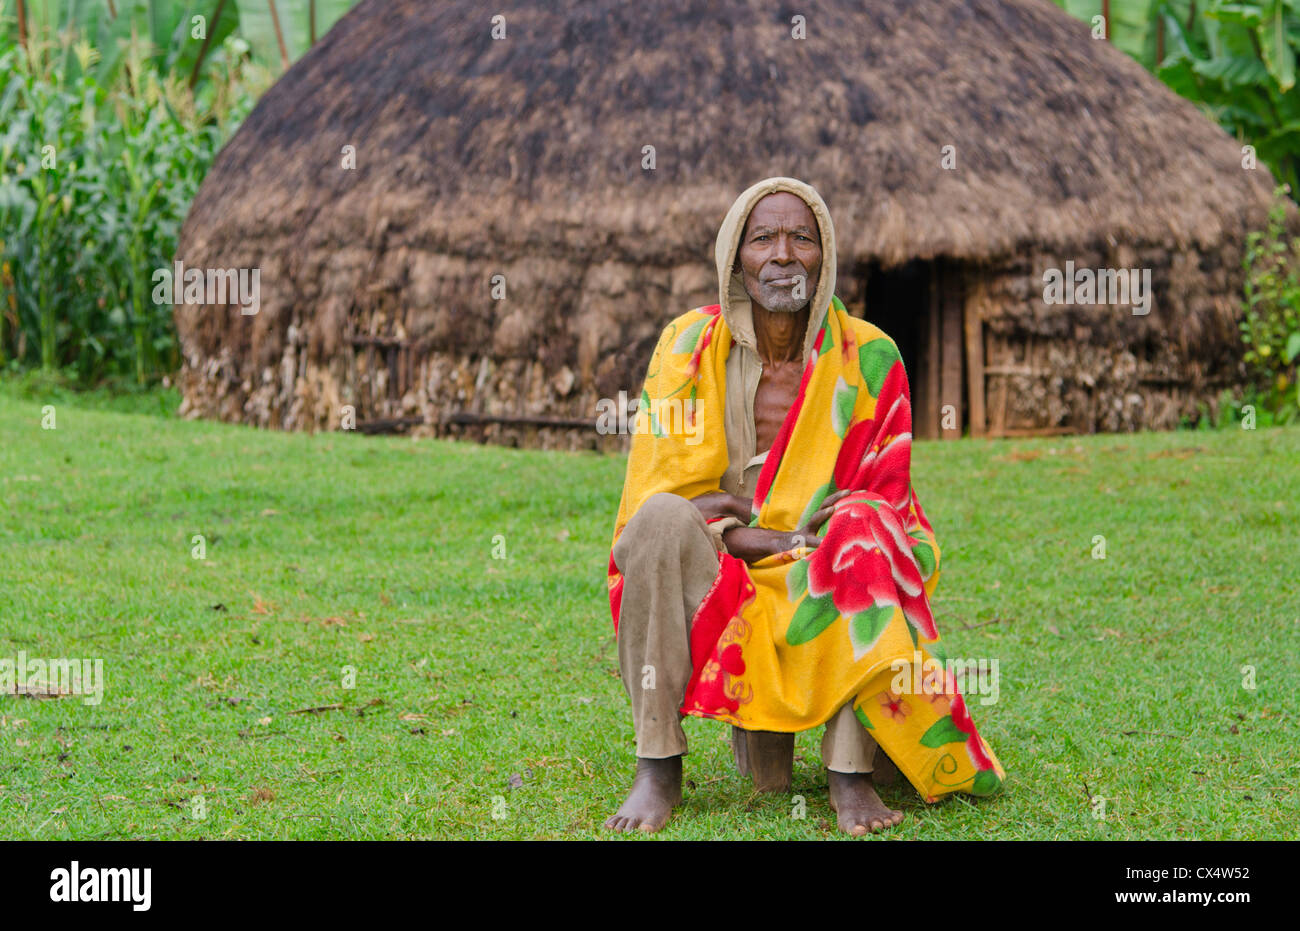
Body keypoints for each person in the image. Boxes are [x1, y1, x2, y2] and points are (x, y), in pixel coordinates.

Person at [604, 177, 1003, 835]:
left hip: (827, 565)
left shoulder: (869, 357)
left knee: (866, 527)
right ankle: (658, 766)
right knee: (656, 526)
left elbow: (884, 493)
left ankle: (852, 774)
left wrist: (801, 538)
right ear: (737, 256)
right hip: (720, 566)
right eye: (763, 237)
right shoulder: (685, 346)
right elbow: (660, 494)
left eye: (802, 238)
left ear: (826, 256)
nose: (783, 254)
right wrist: (744, 531)